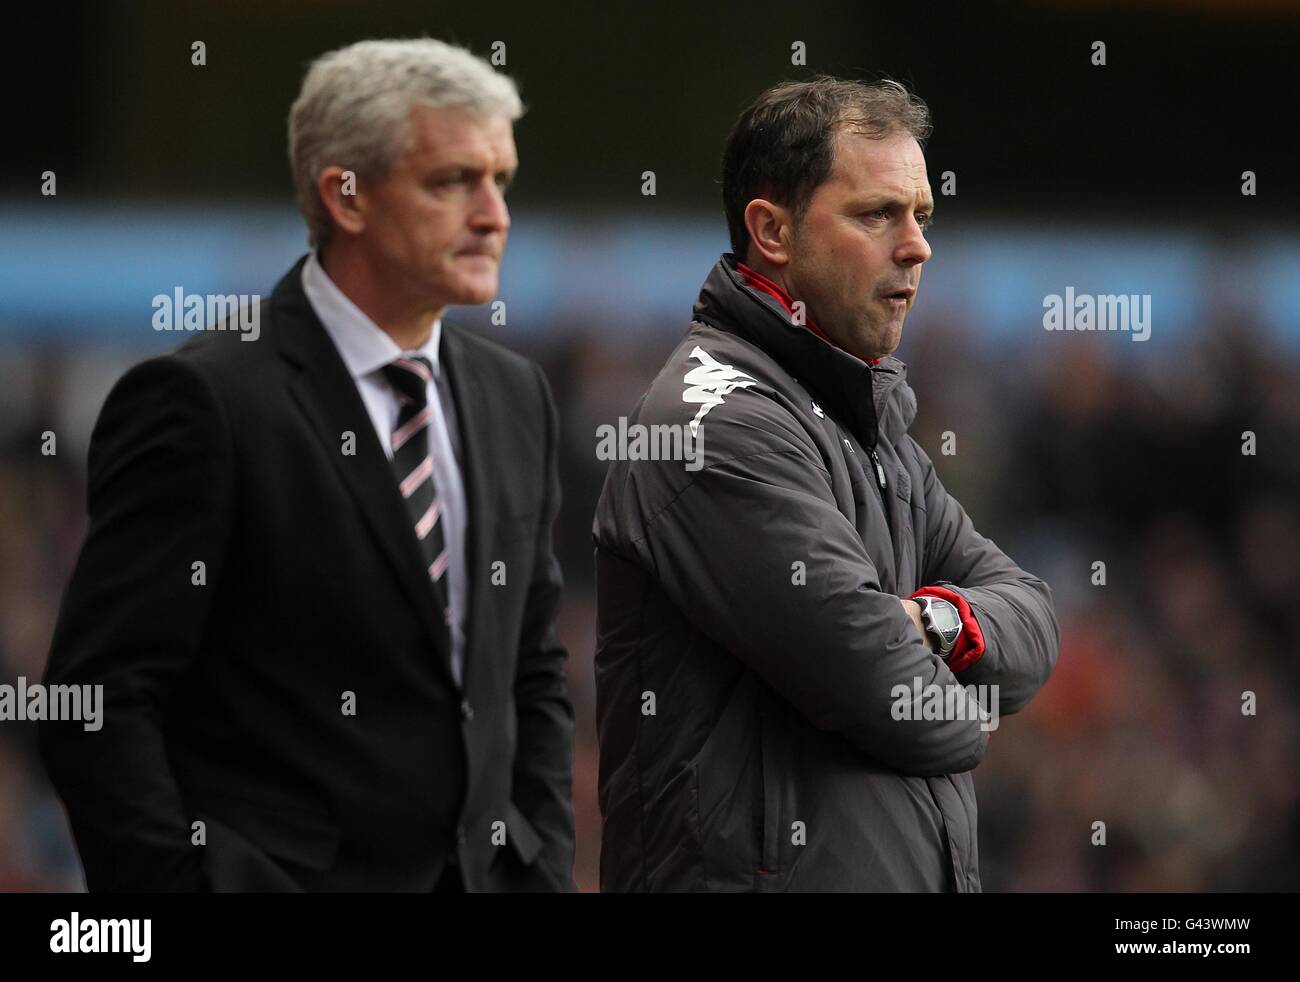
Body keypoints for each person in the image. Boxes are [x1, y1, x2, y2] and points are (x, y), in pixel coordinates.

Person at [40, 38, 576, 893]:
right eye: (453, 181)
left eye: (501, 181)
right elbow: (99, 700)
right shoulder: (203, 401)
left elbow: (529, 669)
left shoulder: (516, 396)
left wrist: (539, 867)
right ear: (347, 196)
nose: (494, 214)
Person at [593, 76, 1060, 891]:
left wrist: (933, 620)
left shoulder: (858, 417)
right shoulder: (718, 425)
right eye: (877, 214)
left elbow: (1034, 616)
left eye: (922, 216)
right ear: (771, 231)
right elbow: (923, 715)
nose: (916, 246)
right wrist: (960, 682)